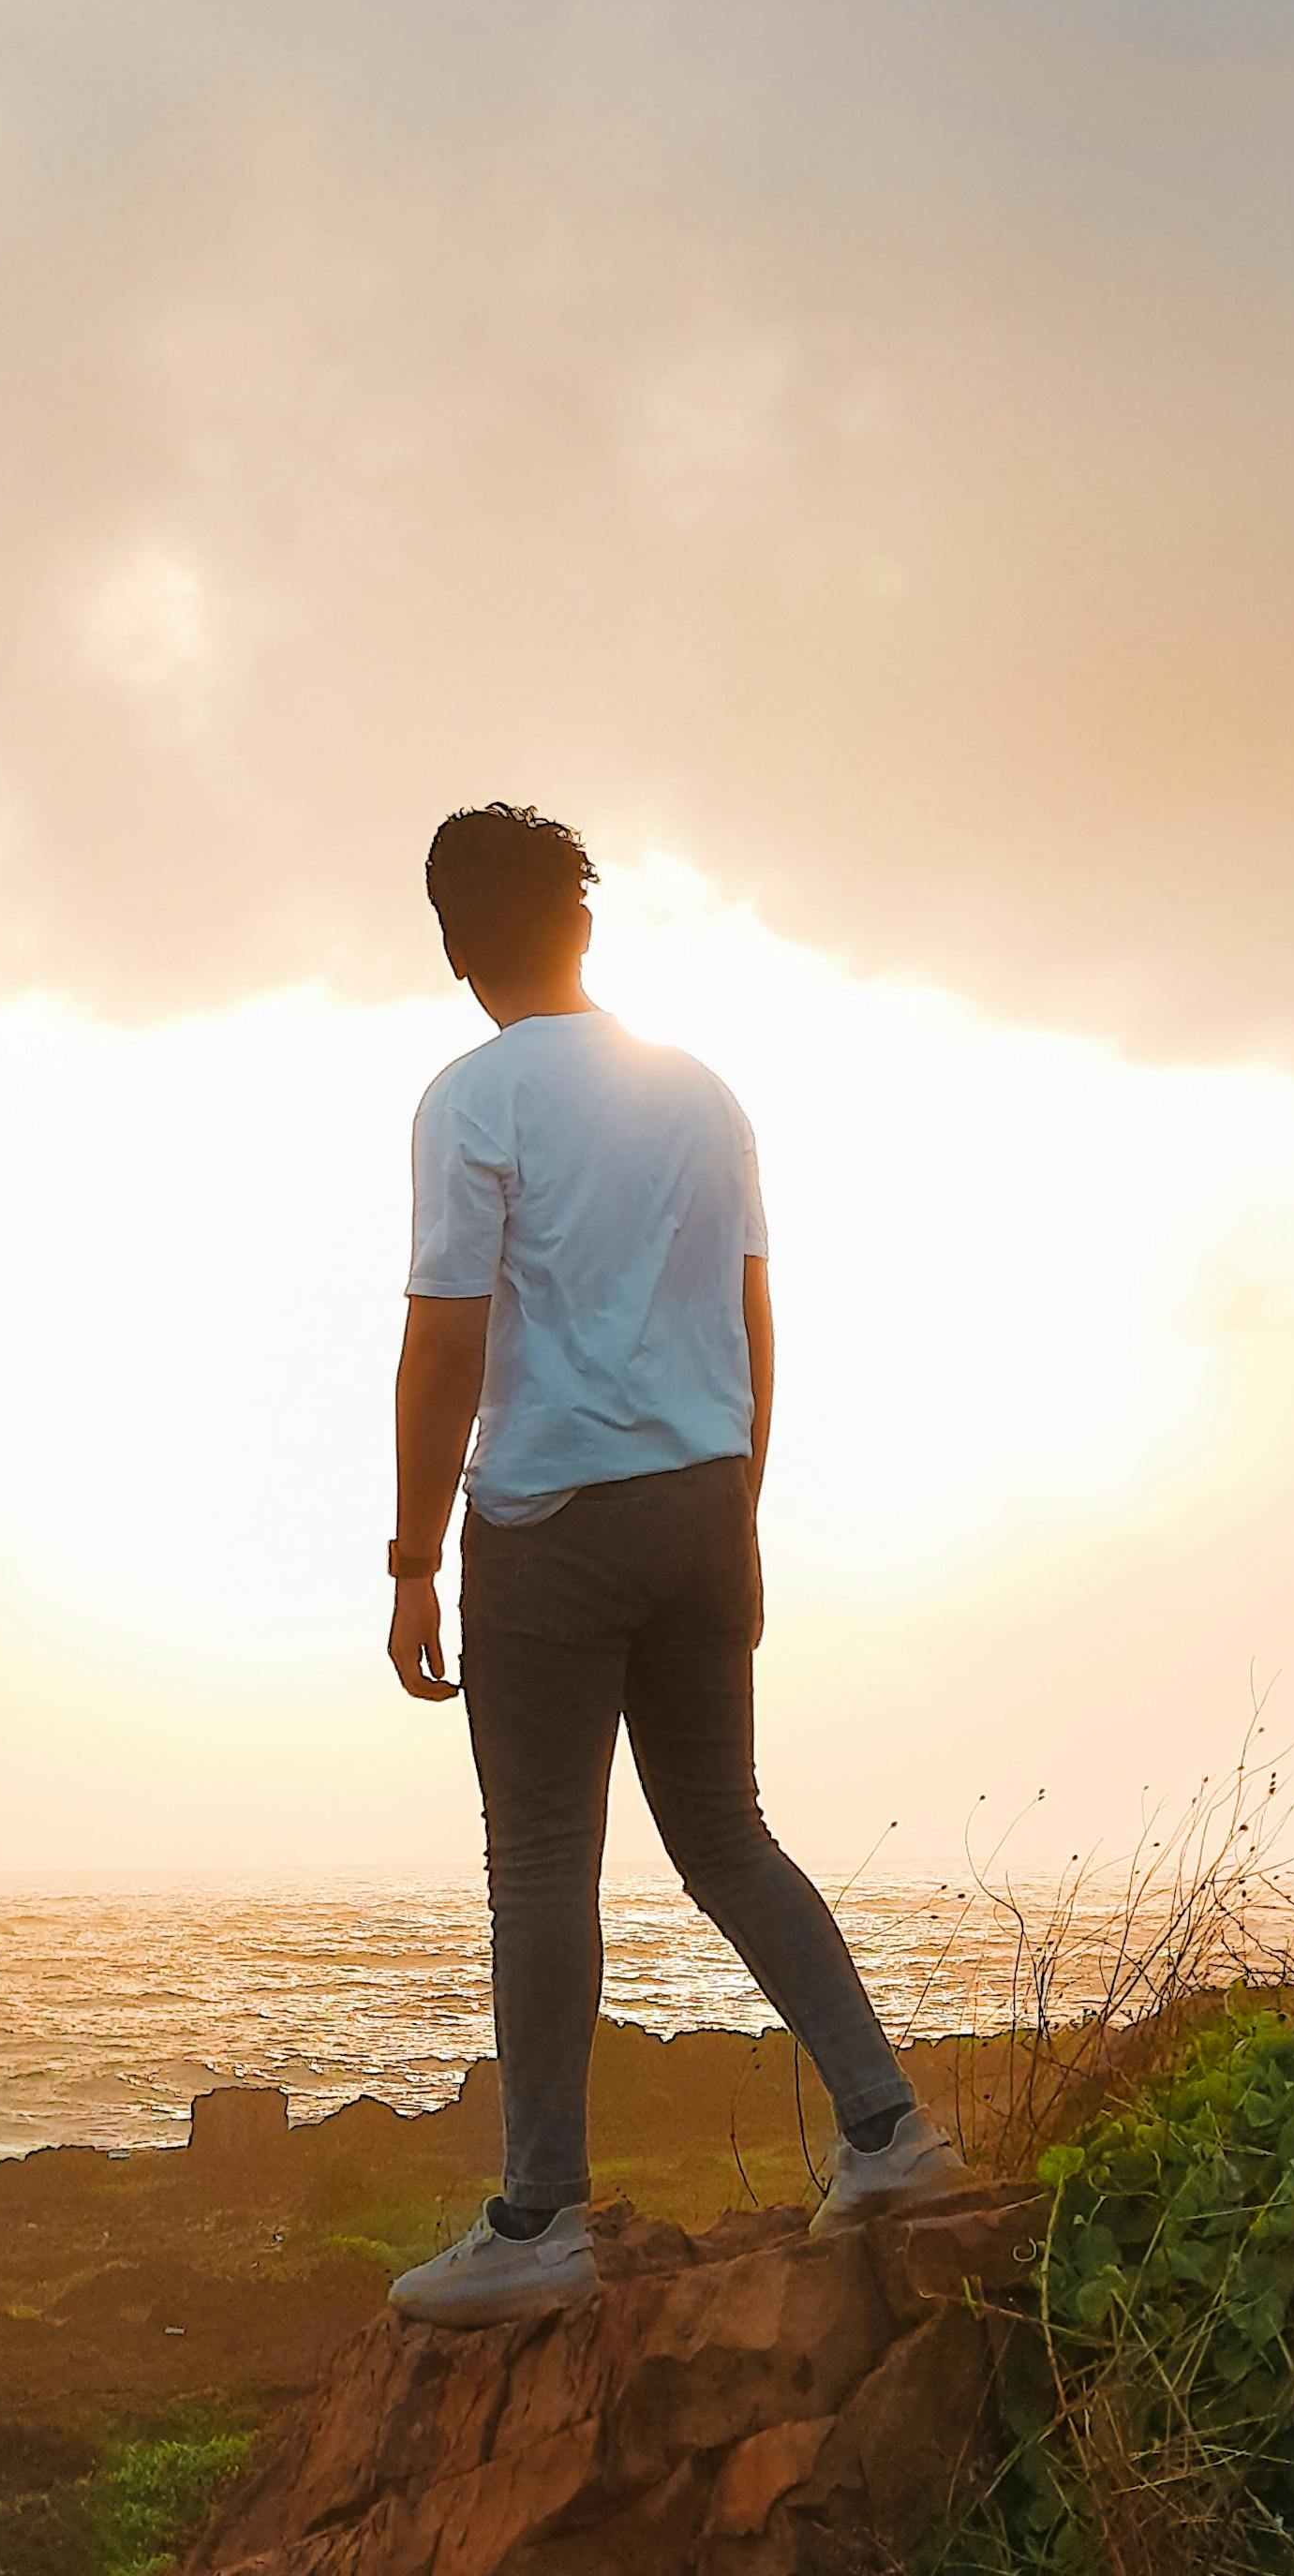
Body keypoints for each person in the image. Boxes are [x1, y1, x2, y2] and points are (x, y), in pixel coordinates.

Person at [382, 798, 960, 2315]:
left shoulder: (472, 1101)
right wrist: (738, 1505)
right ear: (583, 929)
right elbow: (756, 1321)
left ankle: (541, 2220)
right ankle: (888, 2130)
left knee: (538, 1863)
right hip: (706, 1499)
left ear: (456, 948)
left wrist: (410, 1559)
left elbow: (443, 1347)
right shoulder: (700, 1093)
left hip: (554, 1527)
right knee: (724, 1832)